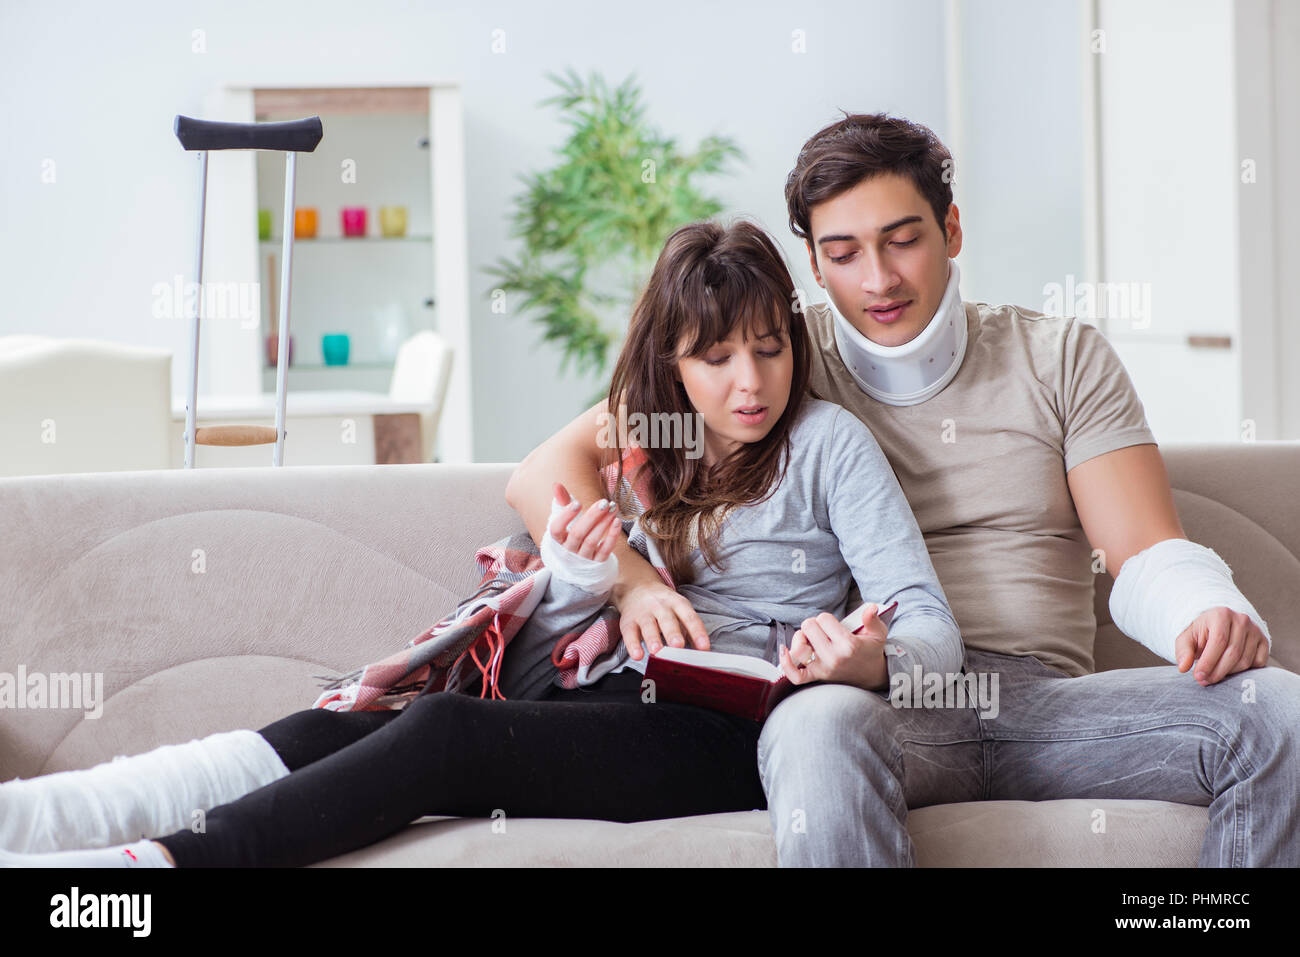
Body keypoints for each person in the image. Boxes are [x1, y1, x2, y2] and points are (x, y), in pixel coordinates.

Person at [0, 218, 961, 868]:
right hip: (618, 695)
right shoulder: (646, 434)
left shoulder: (828, 444)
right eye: (715, 358)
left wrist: (862, 654)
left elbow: (923, 619)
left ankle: (152, 871)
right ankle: (48, 819)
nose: (750, 382)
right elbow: (537, 488)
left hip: (735, 727)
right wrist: (612, 580)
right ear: (671, 363)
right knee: (352, 719)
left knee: (444, 733)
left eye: (770, 347)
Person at [504, 113, 1300, 867]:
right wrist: (634, 581)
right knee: (815, 723)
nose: (879, 278)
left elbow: (1143, 551)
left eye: (904, 239)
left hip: (1044, 704)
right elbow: (545, 472)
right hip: (878, 701)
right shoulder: (777, 359)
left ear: (951, 231)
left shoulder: (1061, 357)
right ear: (813, 265)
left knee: (1280, 715)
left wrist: (1203, 608)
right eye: (843, 252)